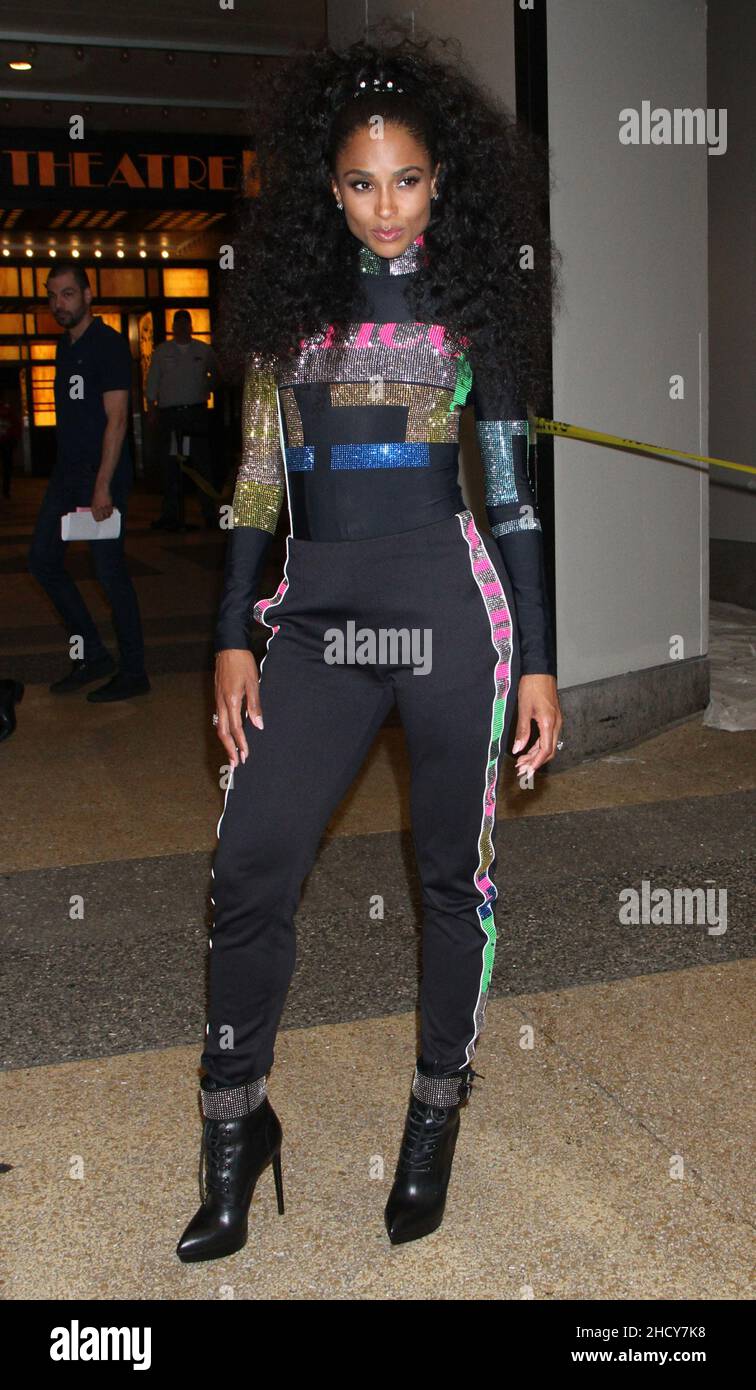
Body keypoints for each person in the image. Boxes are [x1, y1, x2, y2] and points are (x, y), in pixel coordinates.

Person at [177, 25, 564, 1263]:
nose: (386, 208)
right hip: (318, 620)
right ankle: (235, 1130)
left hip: (454, 614)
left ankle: (435, 1117)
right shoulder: (291, 307)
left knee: (453, 879)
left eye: (406, 180)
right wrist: (233, 637)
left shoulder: (477, 309)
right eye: (360, 182)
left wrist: (541, 659)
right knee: (250, 869)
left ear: (442, 176)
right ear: (326, 185)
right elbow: (252, 486)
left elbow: (510, 496)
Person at [28, 262, 150, 701]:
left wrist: (103, 484)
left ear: (87, 294)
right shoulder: (64, 347)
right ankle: (93, 654)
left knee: (109, 572)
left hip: (103, 477)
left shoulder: (109, 346)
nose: (58, 303)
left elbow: (116, 420)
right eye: (52, 295)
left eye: (66, 294)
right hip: (67, 477)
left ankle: (135, 671)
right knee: (42, 560)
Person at [146, 310, 219, 530]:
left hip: (195, 413)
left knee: (201, 462)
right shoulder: (162, 352)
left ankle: (209, 513)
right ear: (173, 327)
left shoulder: (203, 350)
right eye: (178, 324)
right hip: (170, 415)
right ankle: (172, 514)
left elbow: (216, 374)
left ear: (191, 326)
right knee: (170, 465)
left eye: (185, 324)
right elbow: (152, 382)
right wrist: (152, 409)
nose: (182, 328)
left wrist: (207, 389)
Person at [0, 391, 21, 499]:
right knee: (7, 467)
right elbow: (16, 427)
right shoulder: (9, 411)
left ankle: (6, 490)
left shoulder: (9, 412)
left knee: (7, 467)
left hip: (7, 442)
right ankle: (6, 491)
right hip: (7, 442)